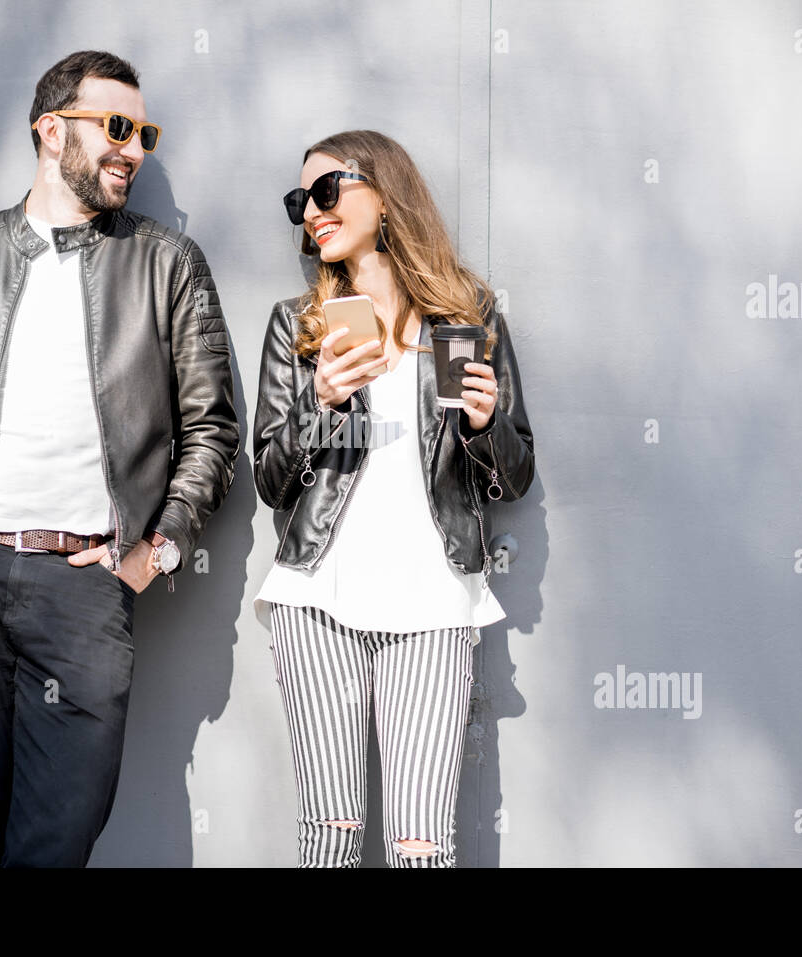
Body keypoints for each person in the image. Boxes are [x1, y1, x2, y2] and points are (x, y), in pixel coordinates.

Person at [0, 50, 239, 867]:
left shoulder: (168, 265)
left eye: (146, 134)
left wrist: (153, 553)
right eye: (117, 128)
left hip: (86, 587)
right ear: (51, 130)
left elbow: (213, 431)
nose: (134, 149)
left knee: (53, 845)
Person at [252, 129, 535, 867]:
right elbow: (271, 482)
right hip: (317, 600)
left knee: (420, 848)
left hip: (434, 603)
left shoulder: (465, 320)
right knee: (331, 839)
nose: (311, 212)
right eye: (298, 200)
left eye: (326, 190)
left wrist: (481, 423)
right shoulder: (299, 326)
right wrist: (316, 402)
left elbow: (516, 474)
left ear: (386, 193)